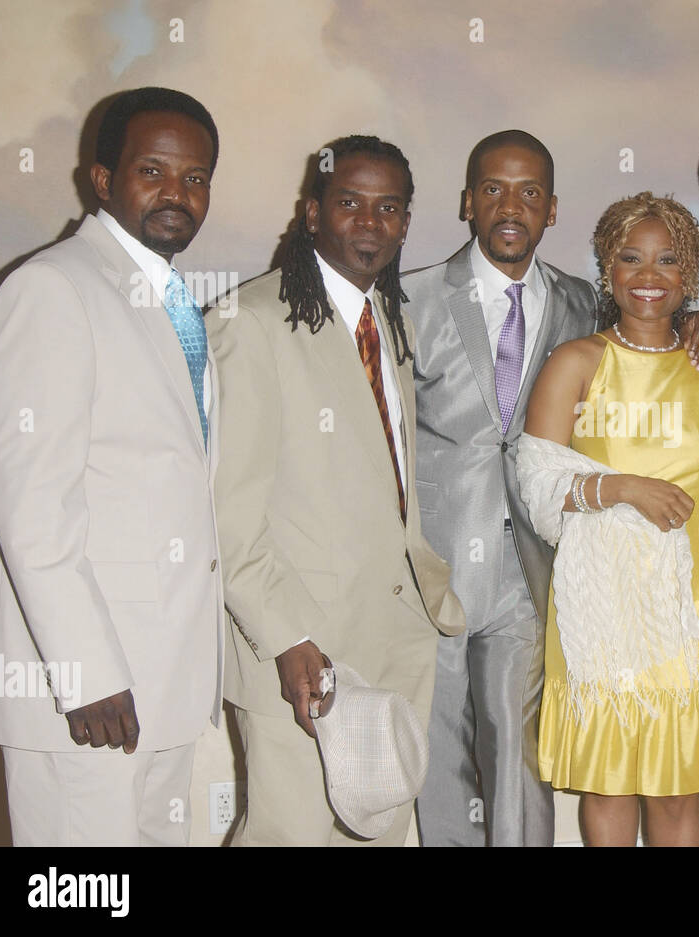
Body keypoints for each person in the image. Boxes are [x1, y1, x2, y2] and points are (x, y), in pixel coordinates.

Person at [402, 131, 699, 846]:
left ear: (552, 209)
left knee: (525, 762)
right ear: (467, 202)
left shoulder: (580, 303)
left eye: (530, 192)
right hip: (438, 564)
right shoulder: (408, 298)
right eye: (493, 188)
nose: (511, 205)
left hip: (541, 572)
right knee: (442, 763)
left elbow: (654, 329)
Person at [0, 87, 223, 845]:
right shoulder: (51, 288)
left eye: (196, 177)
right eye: (153, 171)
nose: (177, 194)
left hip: (165, 687)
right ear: (104, 179)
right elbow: (30, 505)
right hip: (83, 696)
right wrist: (83, 672)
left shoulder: (174, 304)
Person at [209, 135, 464, 846]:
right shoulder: (250, 323)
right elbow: (229, 514)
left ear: (407, 222)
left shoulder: (390, 322)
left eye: (389, 207)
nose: (370, 222)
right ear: (312, 212)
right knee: (289, 835)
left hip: (395, 636)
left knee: (378, 833)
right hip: (301, 647)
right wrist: (290, 635)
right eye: (349, 202)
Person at [518, 192, 699, 847]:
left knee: (677, 783)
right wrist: (620, 487)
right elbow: (537, 486)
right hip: (603, 601)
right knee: (609, 778)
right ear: (607, 269)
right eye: (631, 258)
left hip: (691, 598)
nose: (648, 276)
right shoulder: (577, 363)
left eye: (667, 260)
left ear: (689, 276)